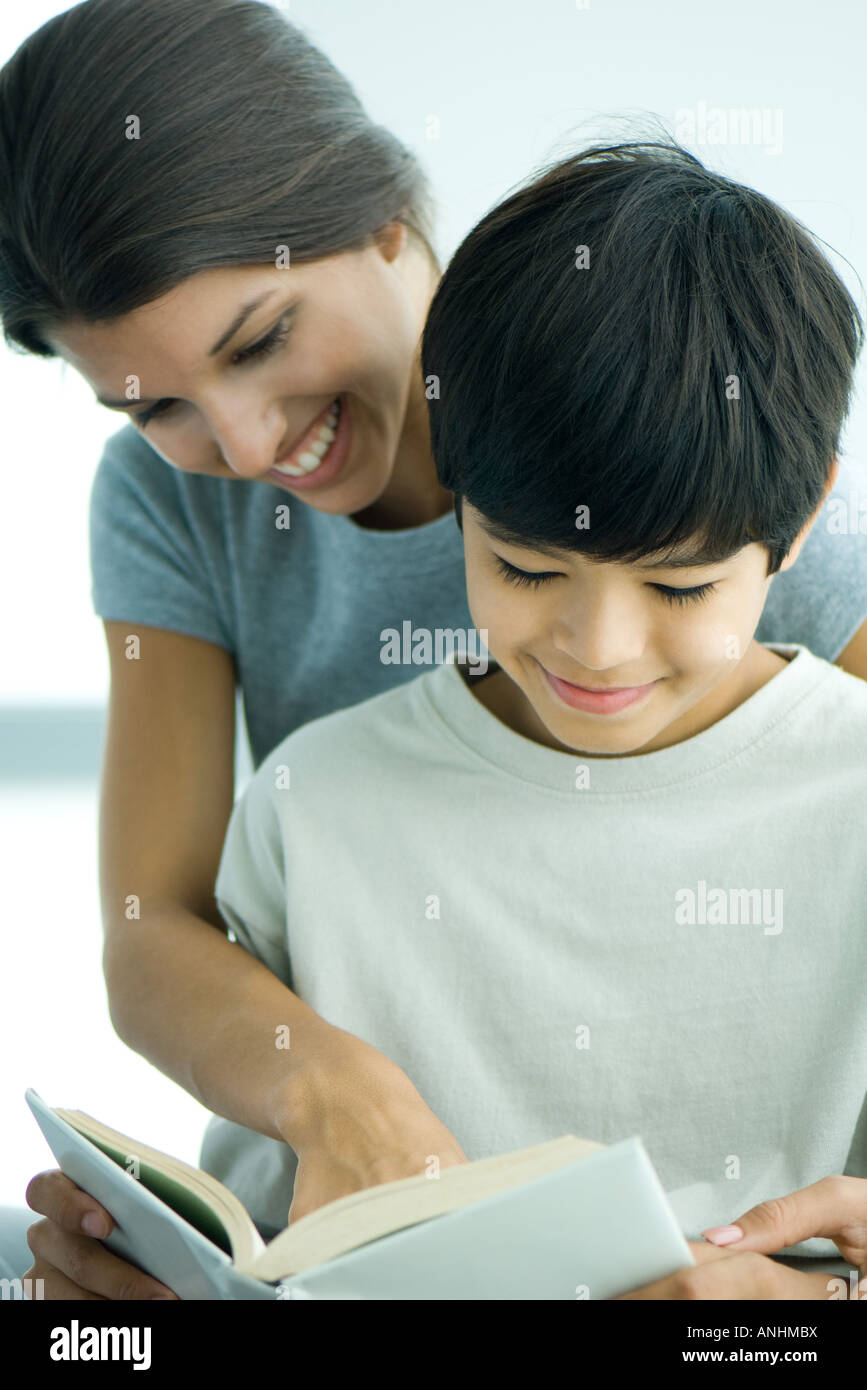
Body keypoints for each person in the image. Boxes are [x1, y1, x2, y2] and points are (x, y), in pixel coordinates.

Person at [0, 0, 863, 1300]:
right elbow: (157, 923)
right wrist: (328, 1101)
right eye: (156, 404)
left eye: (260, 340)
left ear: (386, 214)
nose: (241, 450)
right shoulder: (194, 545)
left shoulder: (733, 483)